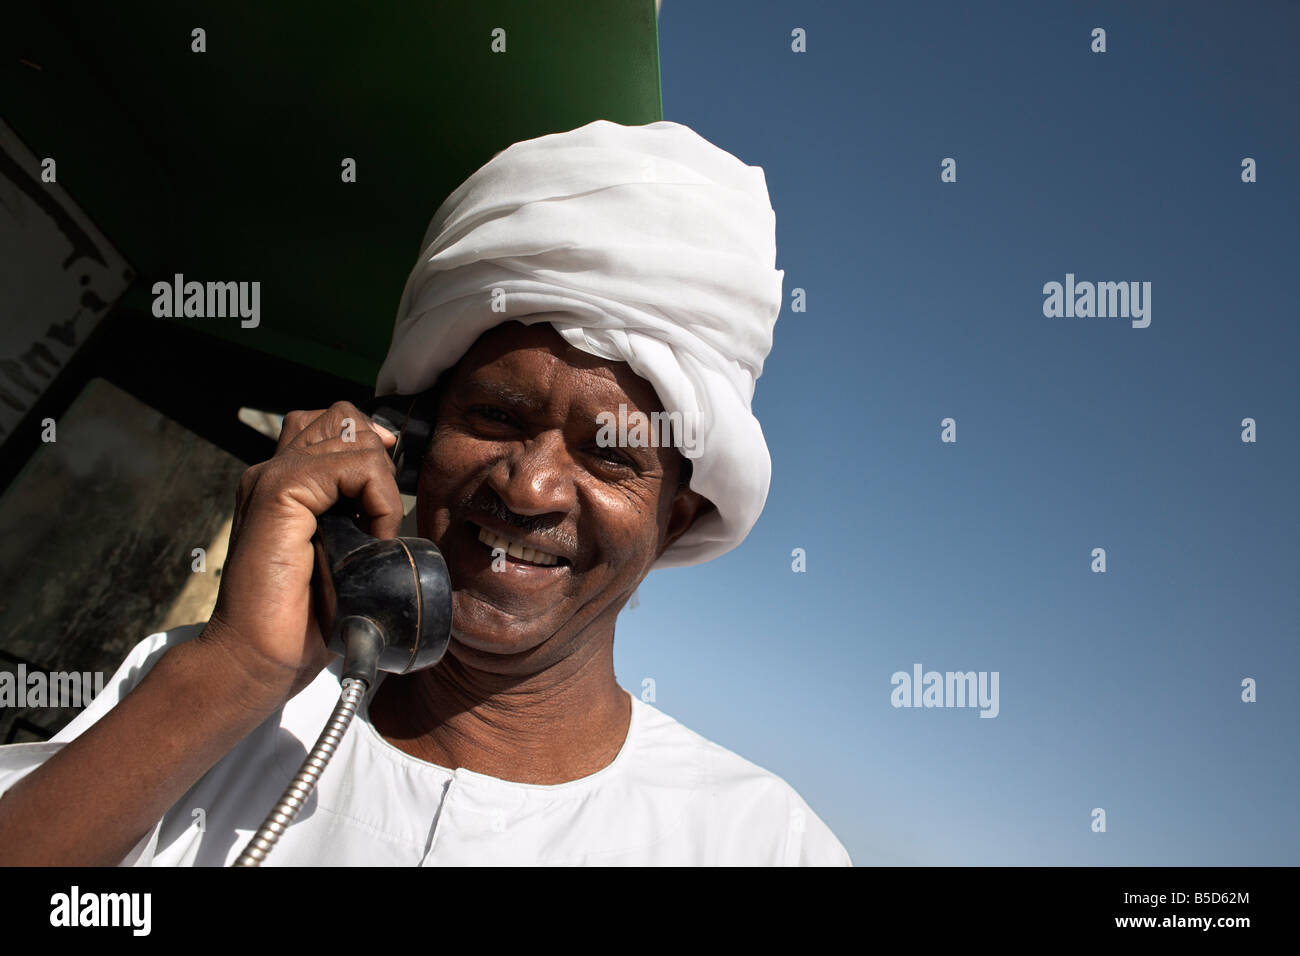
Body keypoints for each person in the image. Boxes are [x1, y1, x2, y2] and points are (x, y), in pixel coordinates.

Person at [0, 119, 851, 866]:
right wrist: (238, 671)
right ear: (406, 444)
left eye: (609, 456)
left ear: (677, 519)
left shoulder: (762, 842)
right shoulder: (205, 701)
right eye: (496, 416)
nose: (531, 486)